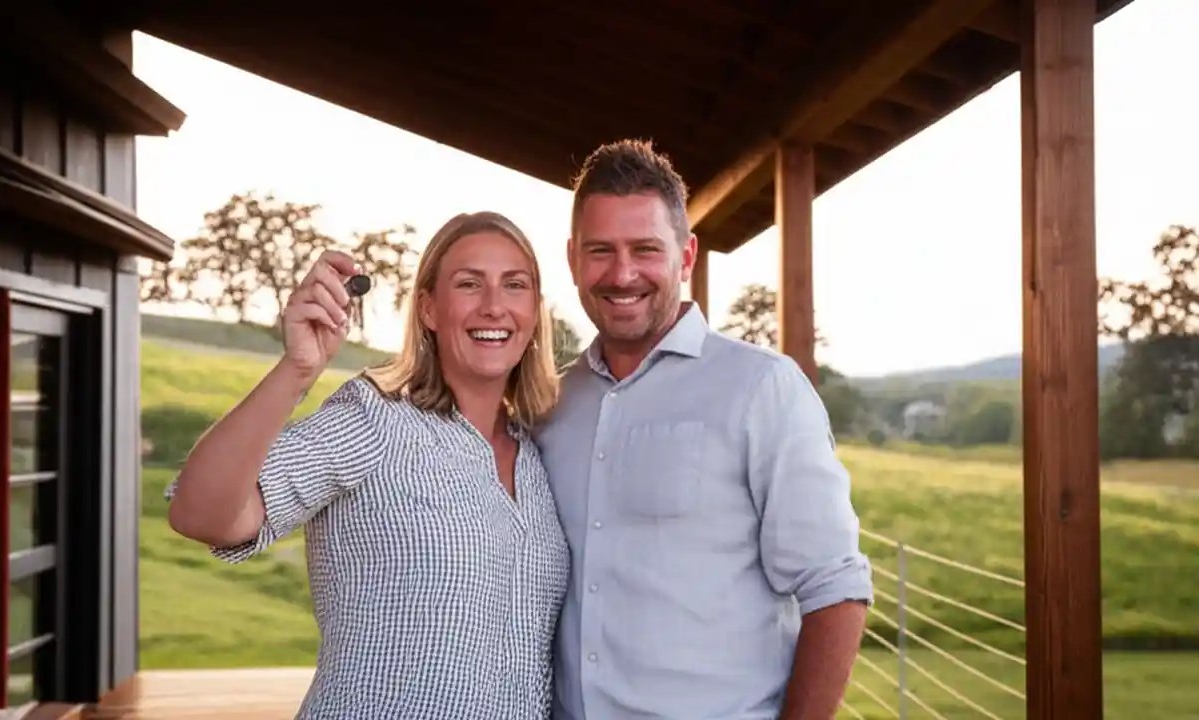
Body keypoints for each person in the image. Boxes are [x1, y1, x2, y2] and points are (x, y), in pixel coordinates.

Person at [164, 211, 571, 719]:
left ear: (534, 310)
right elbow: (202, 515)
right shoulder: (373, 421)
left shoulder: (537, 453)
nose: (494, 306)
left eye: (515, 285)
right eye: (469, 284)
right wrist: (297, 371)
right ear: (428, 308)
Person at [537, 139, 874, 719]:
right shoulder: (552, 405)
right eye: (601, 251)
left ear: (686, 256)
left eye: (645, 249)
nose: (622, 274)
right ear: (572, 259)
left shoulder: (762, 388)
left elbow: (835, 589)